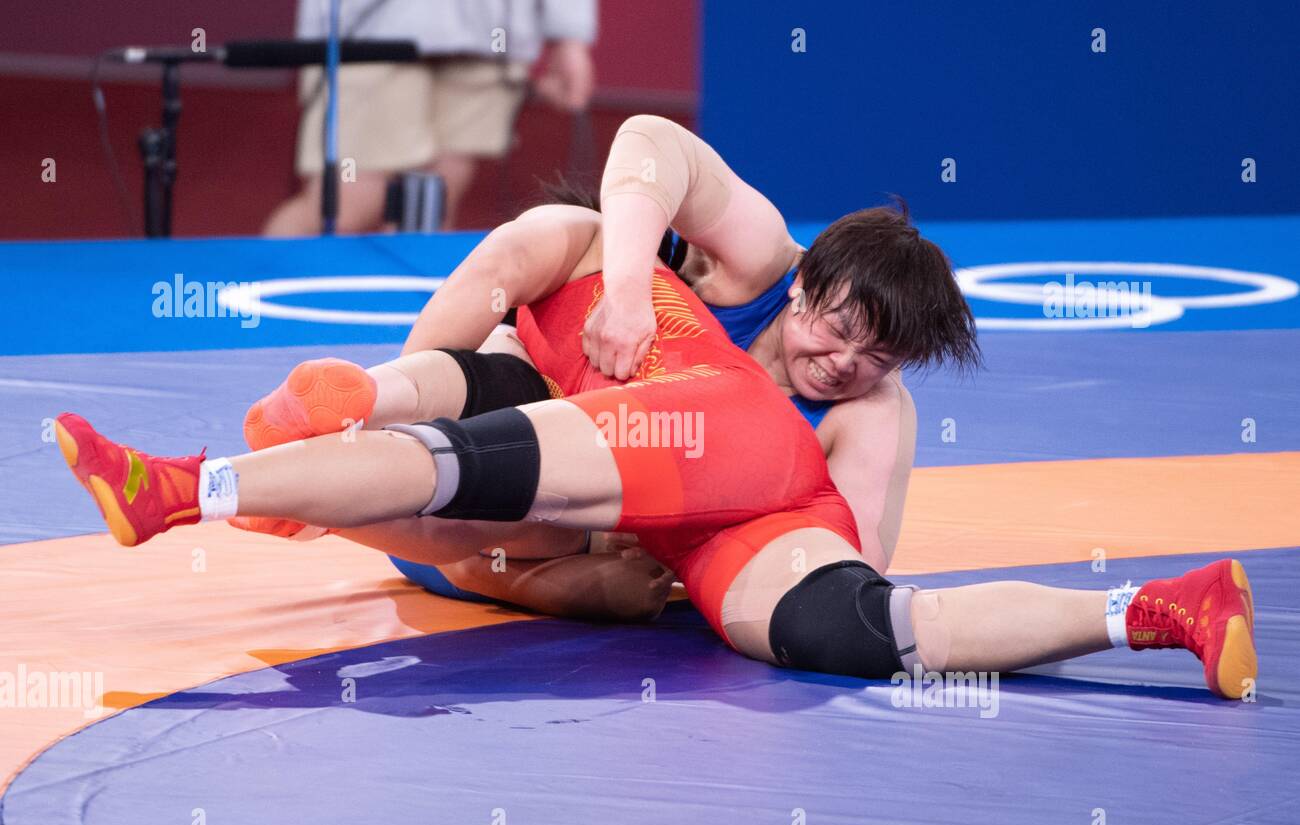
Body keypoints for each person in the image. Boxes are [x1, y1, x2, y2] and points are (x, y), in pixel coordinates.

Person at [54, 205, 1257, 699]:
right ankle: (1156, 608)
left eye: (874, 358)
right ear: (808, 288)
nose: (843, 363)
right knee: (886, 635)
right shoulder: (691, 270)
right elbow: (861, 577)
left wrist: (620, 286)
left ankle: (183, 487)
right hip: (727, 519)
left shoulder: (636, 290)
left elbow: (626, 163)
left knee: (449, 459)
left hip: (689, 455)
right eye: (836, 332)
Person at [264, 0, 597, 234]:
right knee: (345, 207)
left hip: (489, 34)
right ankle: (252, 316)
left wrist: (570, 37)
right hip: (369, 29)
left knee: (429, 210)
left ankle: (400, 331)